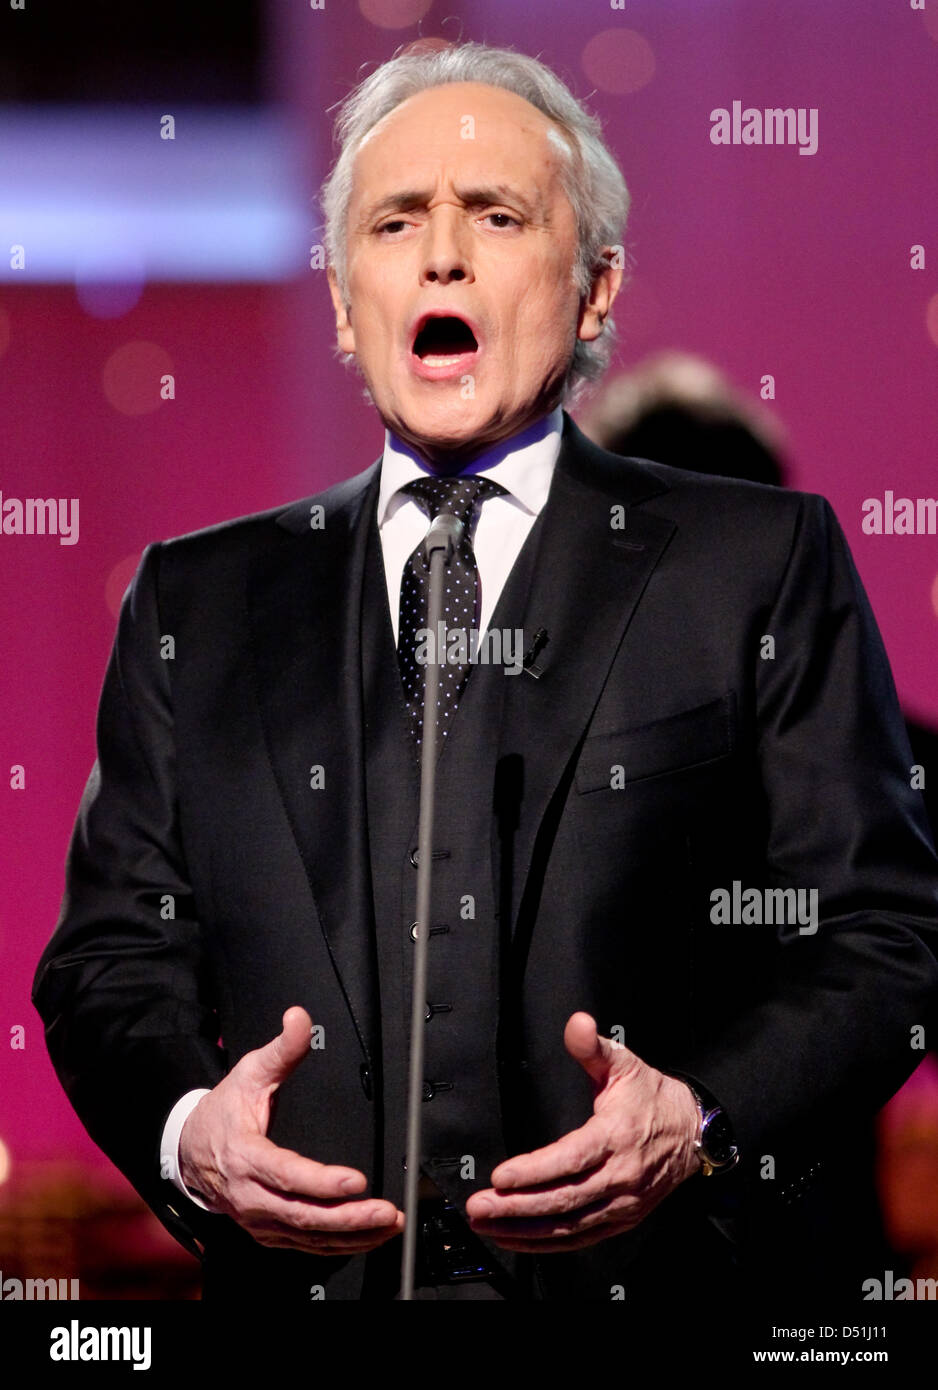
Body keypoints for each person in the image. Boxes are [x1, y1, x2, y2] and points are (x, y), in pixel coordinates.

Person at [32, 41, 938, 1304]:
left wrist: (699, 1120)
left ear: (594, 288)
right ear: (342, 299)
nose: (442, 256)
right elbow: (107, 959)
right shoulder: (197, 600)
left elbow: (880, 931)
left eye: (496, 216)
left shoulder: (753, 564)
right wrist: (193, 1132)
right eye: (396, 221)